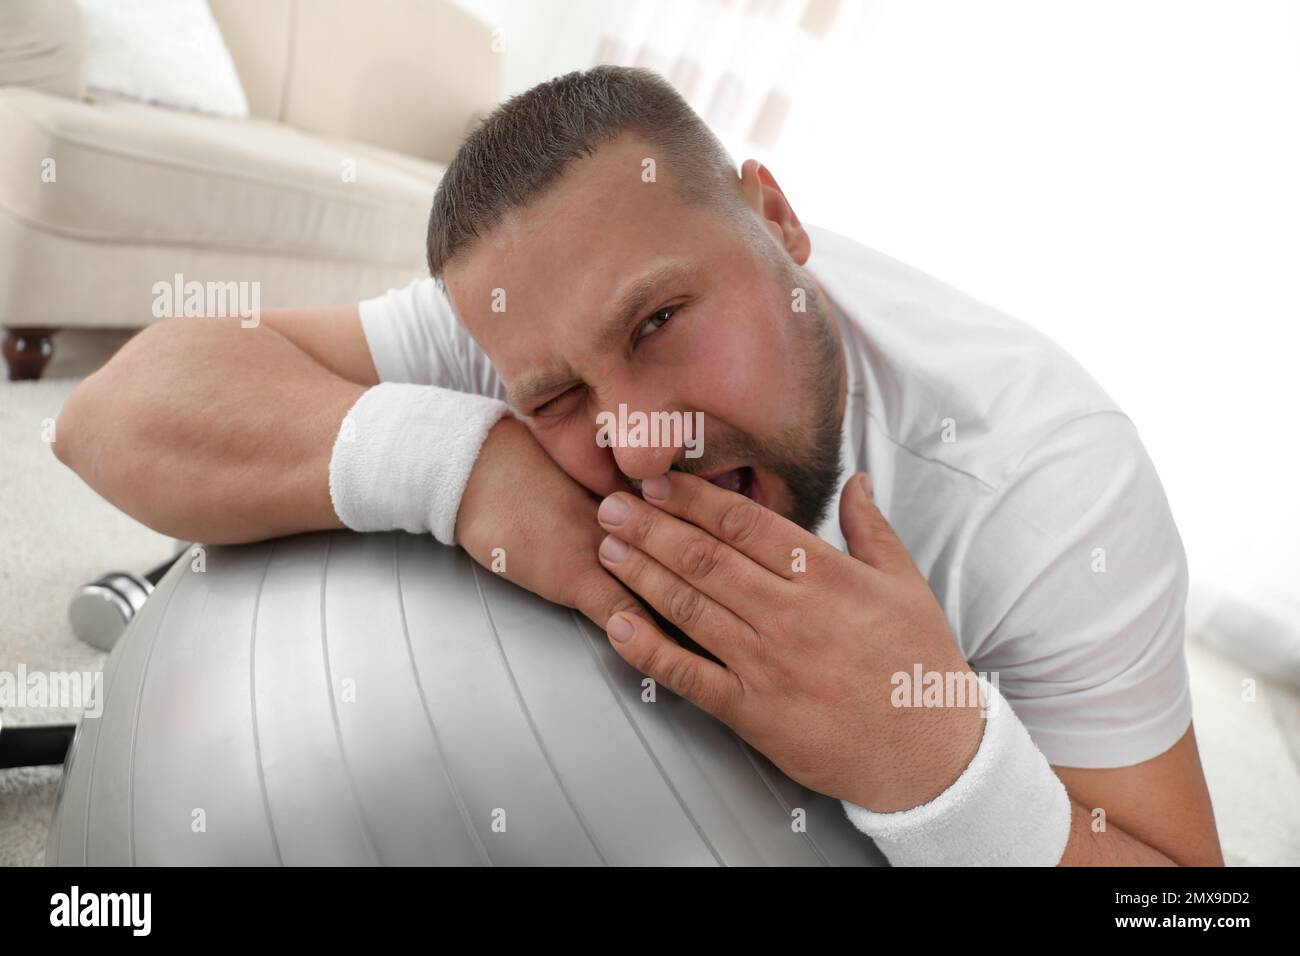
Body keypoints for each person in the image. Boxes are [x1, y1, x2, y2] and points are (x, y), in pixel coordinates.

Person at [54, 66, 1222, 866]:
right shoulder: (523, 321)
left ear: (776, 220)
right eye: (557, 396)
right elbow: (108, 412)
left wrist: (931, 756)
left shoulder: (1053, 486)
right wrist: (471, 471)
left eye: (660, 321)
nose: (639, 444)